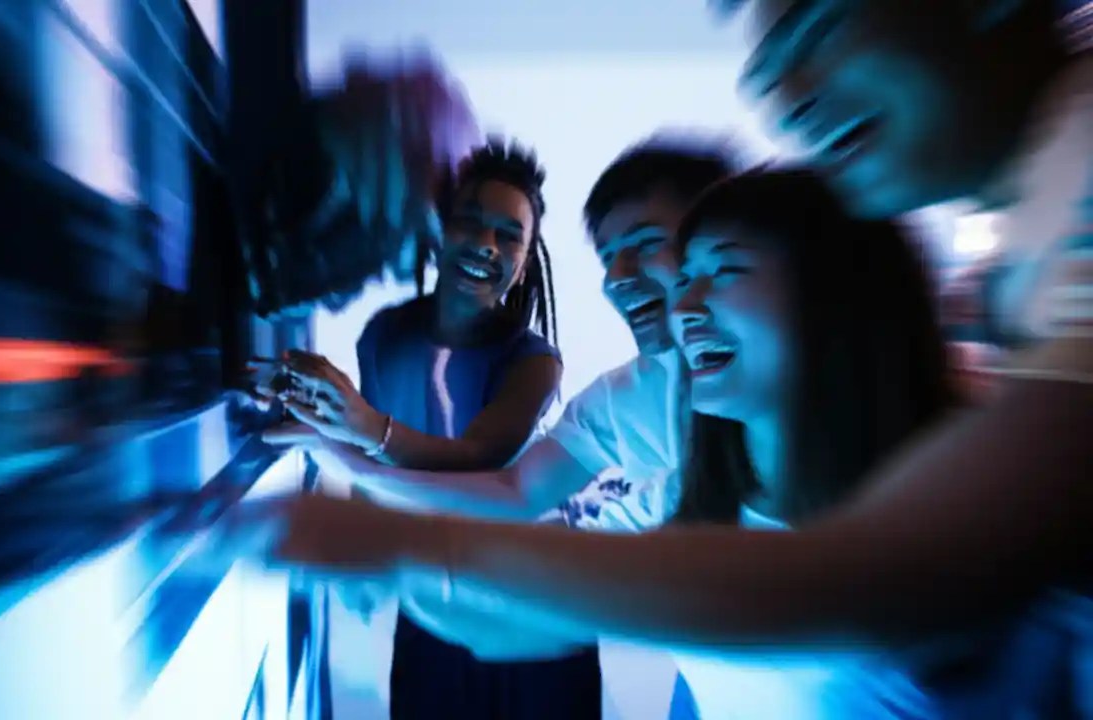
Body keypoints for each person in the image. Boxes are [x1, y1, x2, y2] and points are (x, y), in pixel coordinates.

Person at [219, 1, 1091, 716]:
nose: (670, 296)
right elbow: (524, 523)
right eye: (614, 259)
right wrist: (349, 486)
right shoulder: (692, 473)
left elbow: (885, 575)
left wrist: (402, 526)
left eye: (821, 28)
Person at [293, 168, 961, 718]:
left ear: (832, 298)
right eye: (685, 274)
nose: (684, 303)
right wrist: (356, 499)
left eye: (722, 269)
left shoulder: (945, 518)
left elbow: (491, 472)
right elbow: (524, 541)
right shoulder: (685, 489)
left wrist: (369, 482)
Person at [269, 137, 603, 720]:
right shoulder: (385, 335)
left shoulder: (533, 361)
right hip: (431, 606)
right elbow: (382, 472)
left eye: (509, 235)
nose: (486, 243)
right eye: (469, 221)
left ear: (526, 261)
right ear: (438, 229)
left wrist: (360, 427)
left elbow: (478, 457)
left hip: (539, 607)